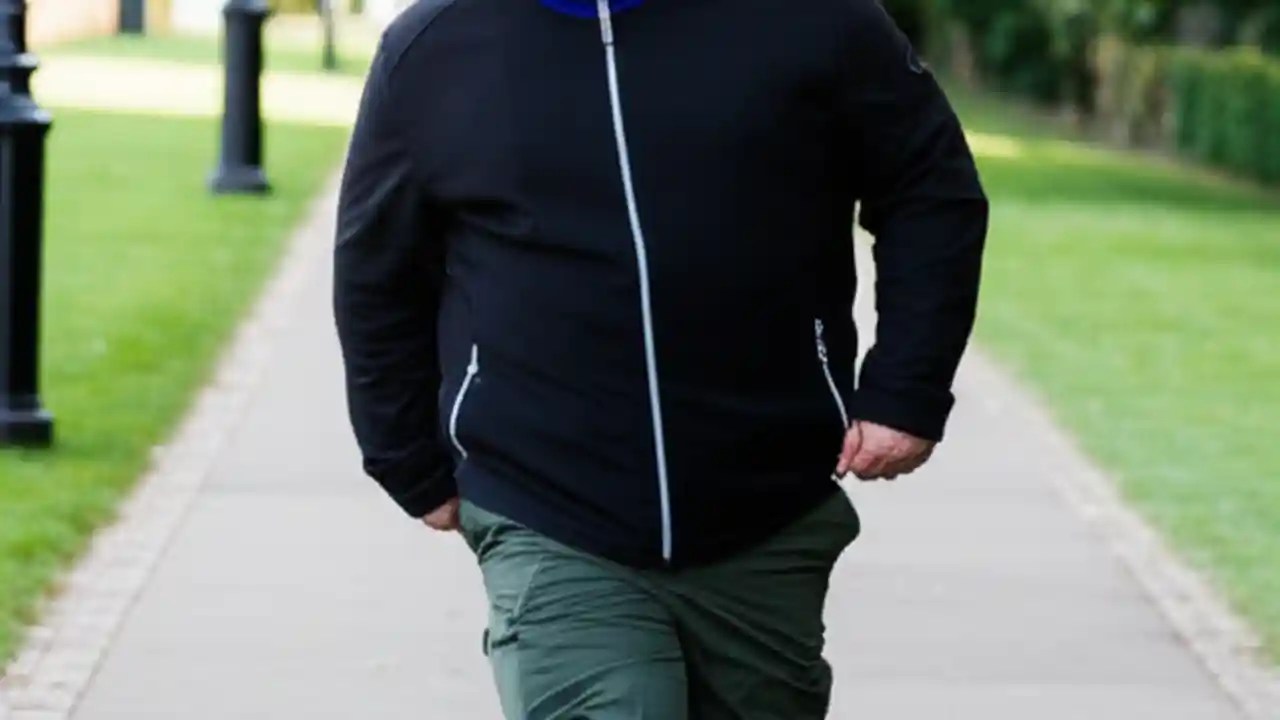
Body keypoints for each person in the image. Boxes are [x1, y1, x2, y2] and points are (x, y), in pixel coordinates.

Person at [334, 0, 988, 717]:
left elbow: (932, 189)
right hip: (548, 510)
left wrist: (906, 391)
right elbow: (377, 270)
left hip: (768, 506)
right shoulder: (435, 46)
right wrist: (402, 458)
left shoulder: (815, 18)